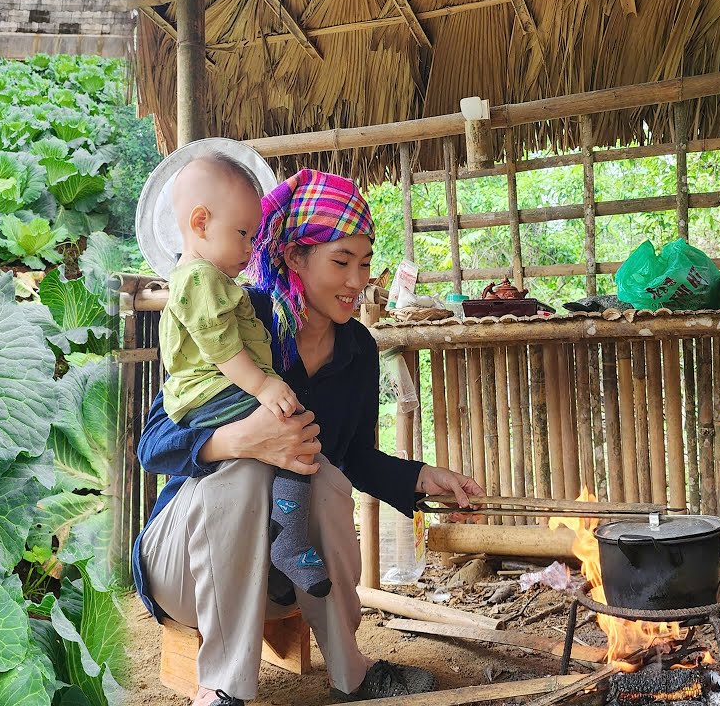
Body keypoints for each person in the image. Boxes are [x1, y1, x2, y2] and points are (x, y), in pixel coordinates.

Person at [133, 167, 485, 705]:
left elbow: (357, 457)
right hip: (184, 569)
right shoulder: (235, 315)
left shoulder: (358, 351)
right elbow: (153, 442)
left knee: (323, 475)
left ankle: (353, 674)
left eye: (364, 263)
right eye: (340, 262)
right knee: (251, 470)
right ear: (296, 258)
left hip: (281, 579)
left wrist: (422, 478)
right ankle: (224, 689)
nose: (356, 280)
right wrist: (242, 440)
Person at [157, 155, 331, 601]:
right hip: (212, 392)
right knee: (294, 430)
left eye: (255, 237)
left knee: (291, 441)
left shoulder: (210, 278)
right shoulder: (199, 278)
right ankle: (289, 542)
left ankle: (276, 551)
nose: (251, 248)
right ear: (200, 222)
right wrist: (263, 385)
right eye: (242, 234)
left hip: (217, 390)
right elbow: (220, 345)